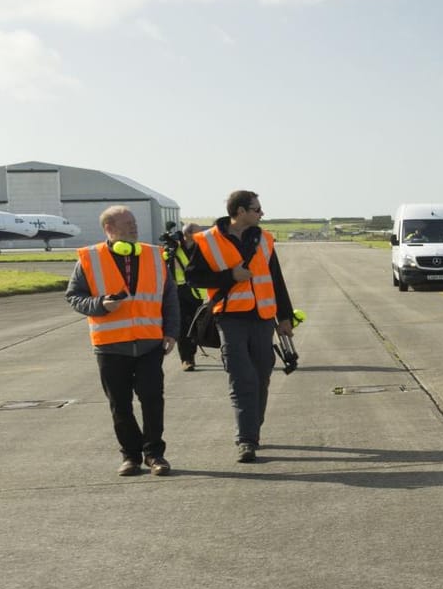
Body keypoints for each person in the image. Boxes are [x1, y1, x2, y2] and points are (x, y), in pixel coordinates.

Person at [65, 205, 180, 476]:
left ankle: (155, 454)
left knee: (152, 400)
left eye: (134, 222)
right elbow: (74, 296)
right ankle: (131, 456)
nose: (134, 226)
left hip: (149, 343)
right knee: (120, 404)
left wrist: (172, 331)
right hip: (110, 345)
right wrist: (100, 305)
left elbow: (169, 297)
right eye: (127, 222)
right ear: (109, 228)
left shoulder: (155, 256)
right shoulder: (90, 258)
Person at [186, 190, 296, 463]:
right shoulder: (207, 240)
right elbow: (193, 278)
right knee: (241, 377)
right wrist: (230, 276)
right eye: (257, 209)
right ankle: (246, 439)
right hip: (230, 318)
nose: (262, 213)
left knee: (261, 375)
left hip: (263, 318)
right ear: (240, 211)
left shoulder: (265, 239)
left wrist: (285, 318)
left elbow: (276, 279)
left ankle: (252, 426)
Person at [162, 224, 205, 371]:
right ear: (189, 234)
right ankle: (187, 358)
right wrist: (169, 250)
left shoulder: (202, 248)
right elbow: (165, 262)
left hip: (197, 292)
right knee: (183, 326)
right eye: (199, 232)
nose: (202, 235)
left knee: (195, 325)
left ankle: (191, 353)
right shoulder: (174, 247)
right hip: (179, 291)